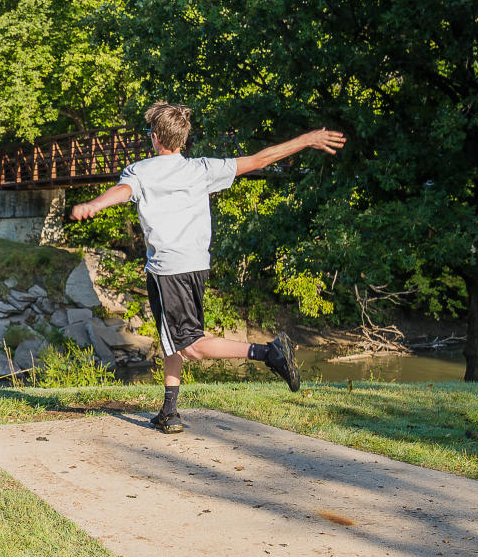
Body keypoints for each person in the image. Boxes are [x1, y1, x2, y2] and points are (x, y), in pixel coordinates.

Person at [70, 102, 346, 434]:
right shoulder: (202, 168)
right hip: (195, 267)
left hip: (169, 270)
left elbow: (123, 190)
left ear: (155, 137)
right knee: (171, 338)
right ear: (183, 139)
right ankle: (169, 411)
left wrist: (94, 204)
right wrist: (308, 139)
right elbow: (260, 159)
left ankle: (268, 352)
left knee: (191, 346)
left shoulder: (140, 171)